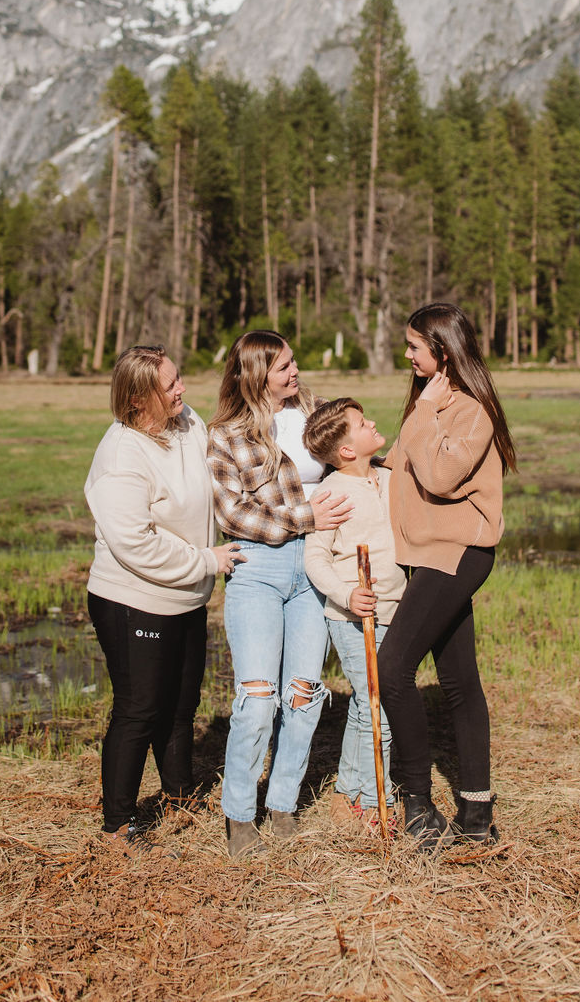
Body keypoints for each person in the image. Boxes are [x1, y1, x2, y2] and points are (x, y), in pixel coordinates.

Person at [84, 344, 240, 847]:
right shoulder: (120, 456)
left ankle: (179, 795)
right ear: (136, 401)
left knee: (181, 704)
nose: (182, 390)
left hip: (185, 597)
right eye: (169, 385)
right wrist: (205, 561)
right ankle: (117, 826)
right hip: (132, 599)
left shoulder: (185, 422)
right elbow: (135, 544)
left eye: (178, 379)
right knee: (140, 707)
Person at [207, 331, 353, 856]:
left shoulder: (312, 412)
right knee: (257, 699)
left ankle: (284, 802)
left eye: (294, 363)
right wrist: (307, 516)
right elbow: (233, 514)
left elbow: (349, 459)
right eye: (284, 367)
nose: (295, 373)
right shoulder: (225, 433)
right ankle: (240, 816)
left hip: (315, 565)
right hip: (258, 569)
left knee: (304, 695)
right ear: (255, 375)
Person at [376, 302, 516, 849]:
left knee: (392, 669)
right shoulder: (431, 405)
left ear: (442, 349)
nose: (407, 355)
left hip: (455, 553)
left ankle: (417, 801)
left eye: (414, 346)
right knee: (459, 681)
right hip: (429, 554)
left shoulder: (468, 411)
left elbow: (436, 476)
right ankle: (477, 817)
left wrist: (425, 413)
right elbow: (394, 466)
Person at [302, 397, 406, 826]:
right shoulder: (331, 493)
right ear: (347, 450)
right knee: (379, 707)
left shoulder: (386, 476)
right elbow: (316, 559)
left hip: (396, 609)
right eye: (363, 423)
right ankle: (368, 800)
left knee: (367, 705)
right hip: (353, 619)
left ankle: (346, 792)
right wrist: (346, 594)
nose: (374, 422)